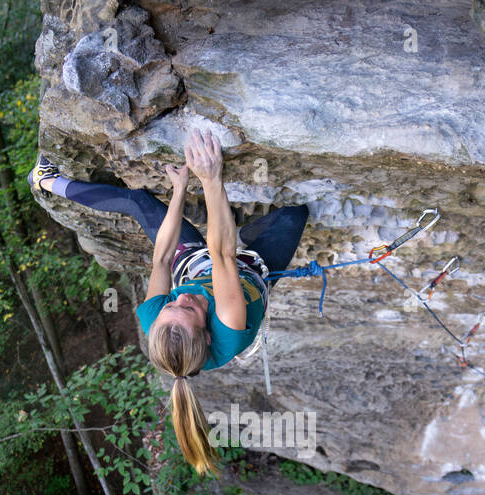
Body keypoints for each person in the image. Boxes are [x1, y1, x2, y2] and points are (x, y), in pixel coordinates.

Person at [28, 129, 309, 476]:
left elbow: (161, 260)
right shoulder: (229, 329)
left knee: (139, 202)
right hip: (247, 272)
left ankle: (44, 180)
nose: (183, 296)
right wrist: (210, 177)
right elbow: (224, 254)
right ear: (207, 336)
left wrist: (178, 191)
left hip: (193, 262)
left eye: (171, 305)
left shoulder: (156, 322)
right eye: (189, 308)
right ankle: (255, 236)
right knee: (294, 215)